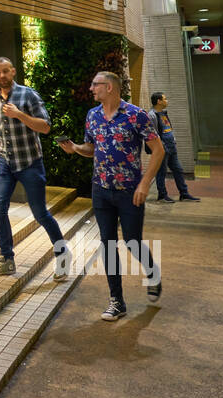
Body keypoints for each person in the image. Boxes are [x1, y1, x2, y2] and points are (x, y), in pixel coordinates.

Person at [56, 71, 164, 322]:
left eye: (96, 85)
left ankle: (152, 272)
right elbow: (91, 148)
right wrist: (75, 148)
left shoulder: (136, 115)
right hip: (101, 190)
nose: (92, 88)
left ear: (110, 88)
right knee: (107, 244)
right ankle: (117, 301)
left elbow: (158, 150)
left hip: (130, 191)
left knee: (132, 242)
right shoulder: (92, 115)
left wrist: (145, 184)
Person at [0, 57, 68, 279]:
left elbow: (46, 127)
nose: (2, 76)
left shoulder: (28, 95)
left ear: (13, 72)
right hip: (5, 161)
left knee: (40, 212)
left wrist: (19, 114)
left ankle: (62, 253)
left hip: (30, 161)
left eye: (5, 71)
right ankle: (6, 259)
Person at [149, 92, 199, 203]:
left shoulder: (163, 113)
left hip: (171, 147)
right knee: (161, 172)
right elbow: (153, 134)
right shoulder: (152, 115)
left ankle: (184, 194)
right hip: (162, 148)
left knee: (178, 169)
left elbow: (168, 128)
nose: (167, 101)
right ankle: (162, 195)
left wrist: (173, 140)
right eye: (165, 99)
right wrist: (160, 147)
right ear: (159, 101)